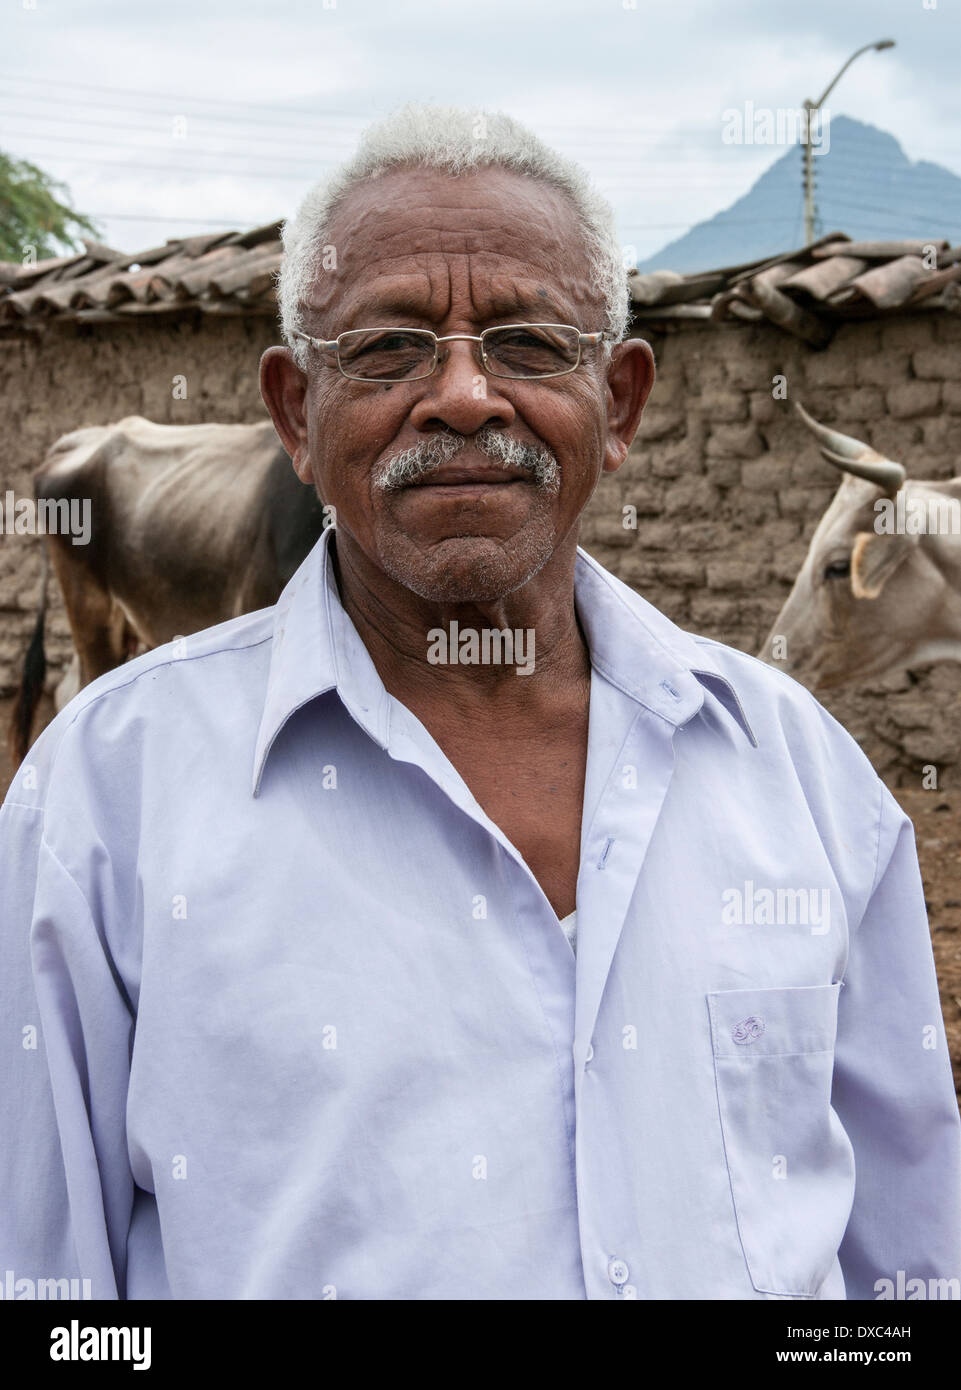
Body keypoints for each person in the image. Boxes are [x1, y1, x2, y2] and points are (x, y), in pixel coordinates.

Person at [1, 104, 958, 1301]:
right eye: (391, 347)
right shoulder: (103, 801)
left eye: (526, 343)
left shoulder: (804, 780)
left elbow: (906, 1275)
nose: (463, 395)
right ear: (296, 413)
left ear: (620, 405)